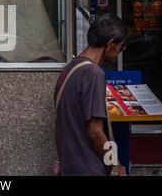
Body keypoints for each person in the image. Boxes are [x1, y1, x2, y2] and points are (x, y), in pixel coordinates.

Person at [54, 13, 128, 176]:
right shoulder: (93, 73)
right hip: (89, 168)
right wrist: (116, 166)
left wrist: (61, 162)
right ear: (109, 45)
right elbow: (95, 131)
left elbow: (59, 125)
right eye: (121, 47)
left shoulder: (68, 69)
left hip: (70, 167)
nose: (119, 53)